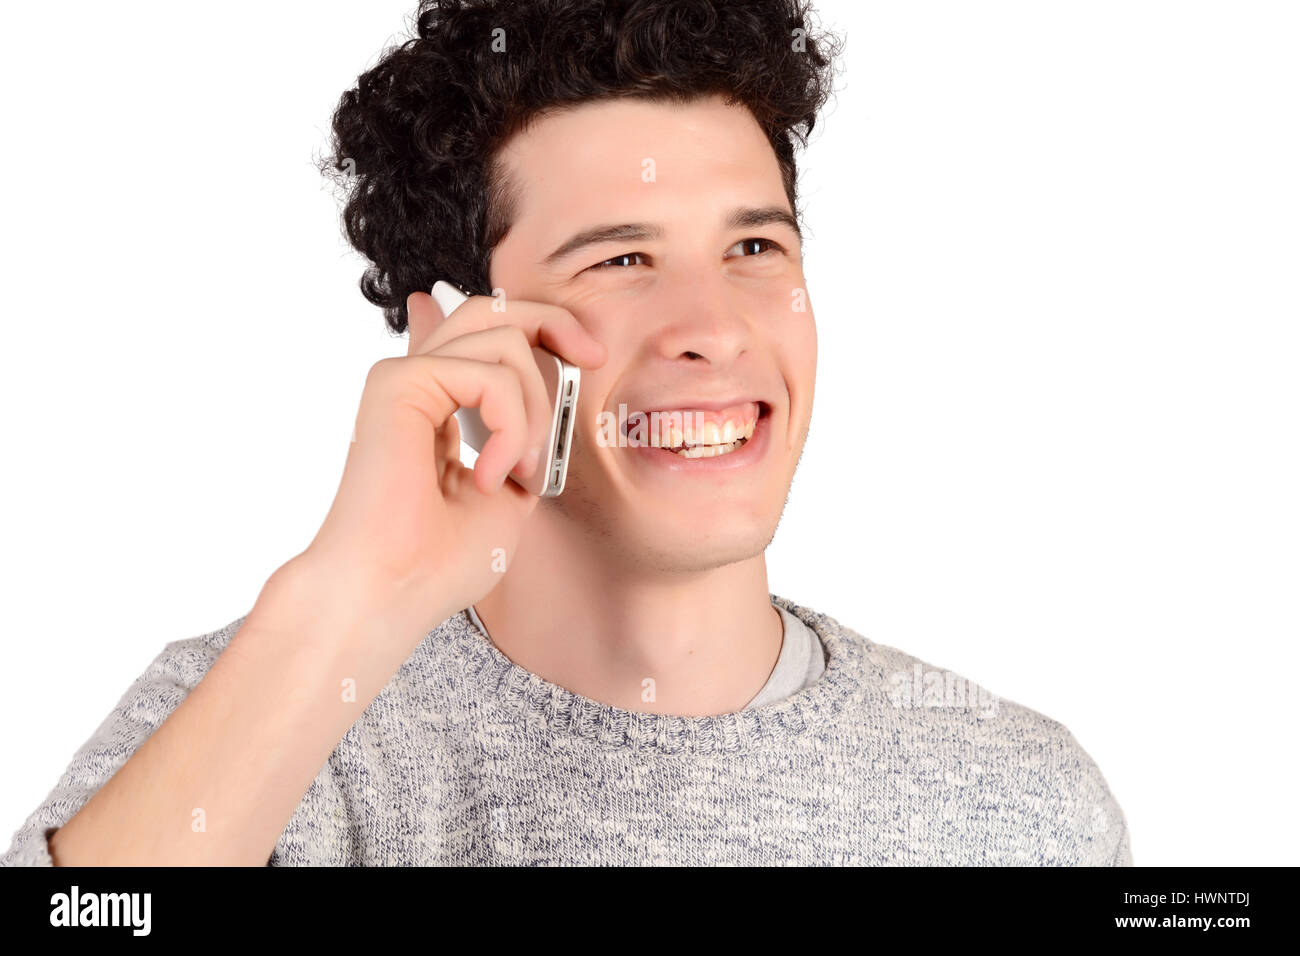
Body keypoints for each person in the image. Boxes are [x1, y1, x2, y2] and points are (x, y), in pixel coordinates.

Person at [1, 0, 1130, 866]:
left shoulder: (1019, 796)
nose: (714, 328)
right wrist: (351, 597)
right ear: (455, 331)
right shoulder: (265, 716)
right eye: (620, 259)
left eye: (753, 250)